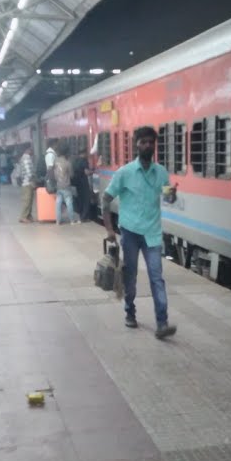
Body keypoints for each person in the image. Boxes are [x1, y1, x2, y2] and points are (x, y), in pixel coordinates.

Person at [103, 126, 178, 339]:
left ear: (154, 145)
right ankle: (130, 312)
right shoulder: (125, 173)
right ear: (136, 145)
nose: (147, 145)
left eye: (150, 142)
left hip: (152, 233)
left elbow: (167, 198)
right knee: (131, 276)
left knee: (157, 278)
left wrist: (171, 195)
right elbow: (106, 198)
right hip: (131, 233)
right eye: (143, 142)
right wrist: (109, 229)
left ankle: (162, 323)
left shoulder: (161, 172)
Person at [53, 146, 77, 224]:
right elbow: (71, 175)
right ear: (66, 153)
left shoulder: (55, 162)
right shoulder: (68, 163)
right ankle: (72, 220)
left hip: (58, 185)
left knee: (58, 203)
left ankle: (58, 221)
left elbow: (53, 172)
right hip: (66, 186)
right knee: (69, 203)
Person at [73, 147, 94, 221]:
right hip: (83, 183)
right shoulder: (84, 161)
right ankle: (84, 217)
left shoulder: (75, 160)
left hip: (77, 183)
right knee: (86, 200)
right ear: (84, 153)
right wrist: (93, 171)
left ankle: (81, 215)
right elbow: (87, 172)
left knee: (80, 199)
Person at [16, 148, 35, 223]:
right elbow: (29, 171)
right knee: (27, 200)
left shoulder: (24, 158)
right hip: (27, 182)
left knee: (29, 200)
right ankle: (23, 217)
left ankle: (28, 216)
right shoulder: (26, 158)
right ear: (28, 150)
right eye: (31, 150)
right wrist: (32, 181)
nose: (32, 152)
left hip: (26, 182)